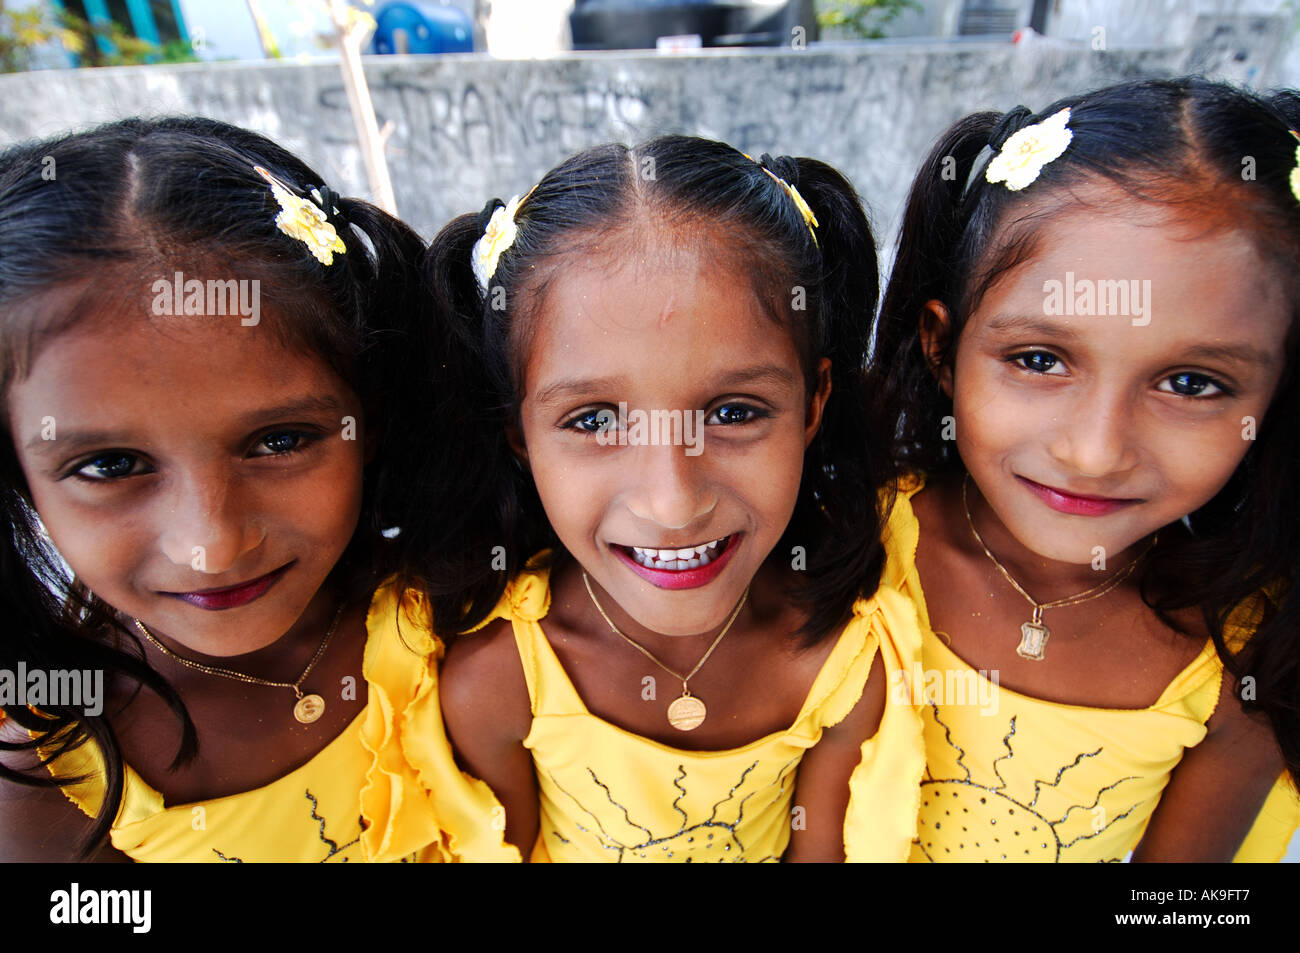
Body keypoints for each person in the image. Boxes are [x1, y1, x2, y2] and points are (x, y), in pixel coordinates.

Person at [415, 135, 925, 861]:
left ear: (814, 403)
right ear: (519, 433)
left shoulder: (841, 660)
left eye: (734, 411)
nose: (672, 501)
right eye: (593, 420)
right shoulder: (498, 679)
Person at [0, 116, 462, 862]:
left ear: (368, 421)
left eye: (280, 441)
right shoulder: (50, 760)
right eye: (111, 466)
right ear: (16, 477)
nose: (212, 543)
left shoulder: (464, 607)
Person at [871, 77, 1300, 861]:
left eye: (1191, 383)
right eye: (1039, 359)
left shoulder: (1253, 652)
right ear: (943, 348)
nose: (1095, 450)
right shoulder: (842, 543)